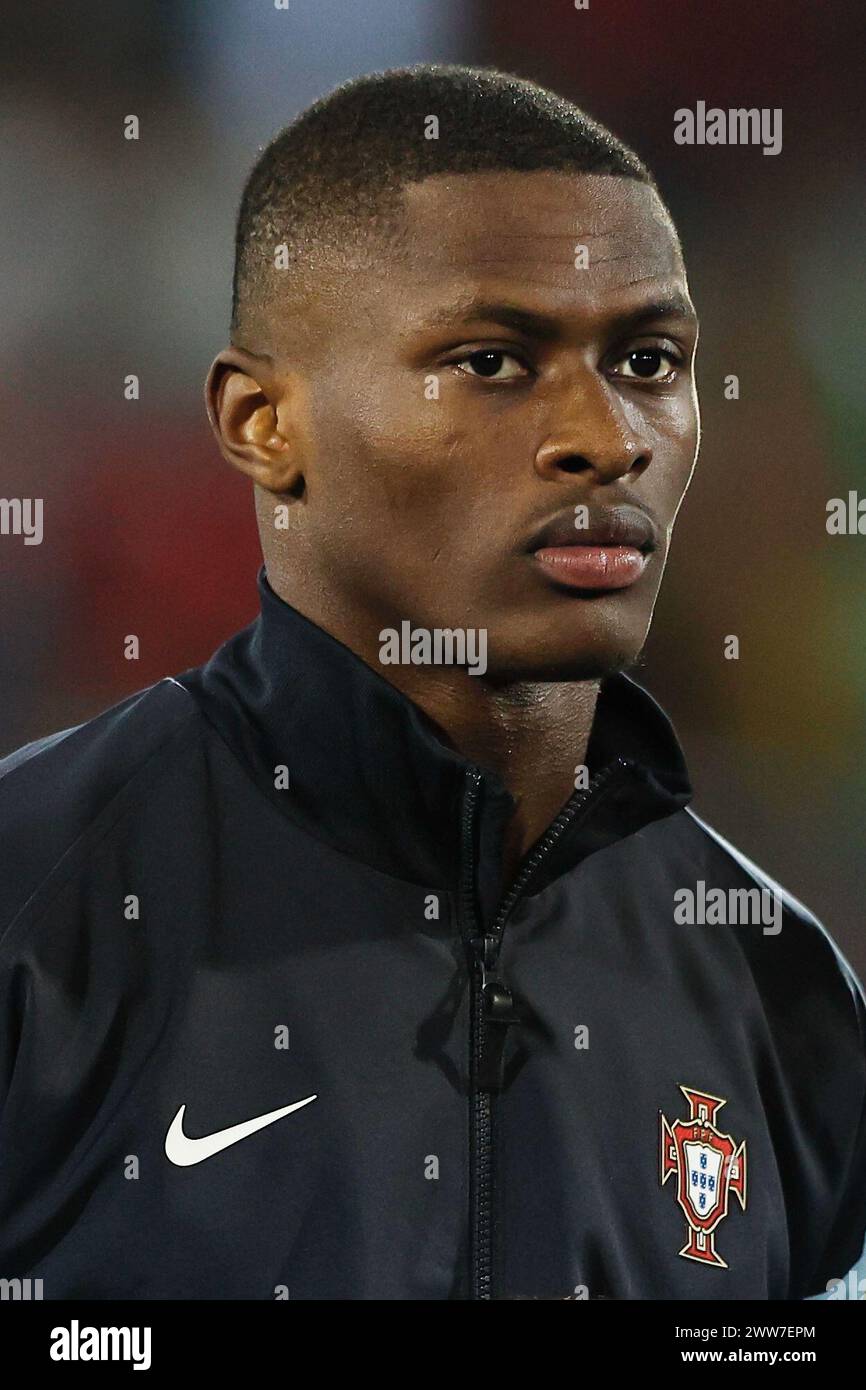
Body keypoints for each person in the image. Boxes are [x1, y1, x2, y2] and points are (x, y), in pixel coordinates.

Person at [0, 64, 863, 1302]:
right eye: (494, 360)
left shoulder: (779, 982)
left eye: (648, 359)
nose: (604, 434)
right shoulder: (36, 898)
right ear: (262, 424)